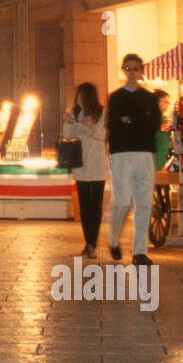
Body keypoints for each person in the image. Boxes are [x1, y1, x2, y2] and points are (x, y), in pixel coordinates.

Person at [106, 54, 161, 266]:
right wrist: (134, 121)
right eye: (128, 69)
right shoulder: (116, 97)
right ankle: (113, 239)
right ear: (123, 70)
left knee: (144, 202)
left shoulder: (149, 97)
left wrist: (130, 121)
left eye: (136, 69)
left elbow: (153, 123)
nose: (132, 73)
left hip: (145, 152)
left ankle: (139, 251)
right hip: (121, 153)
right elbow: (116, 123)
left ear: (142, 71)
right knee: (121, 200)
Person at [62, 83, 108, 259]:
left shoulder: (101, 112)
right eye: (77, 97)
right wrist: (67, 122)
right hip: (80, 163)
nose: (78, 100)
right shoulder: (75, 113)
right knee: (84, 205)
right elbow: (67, 136)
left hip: (97, 164)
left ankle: (92, 243)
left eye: (81, 96)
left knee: (95, 206)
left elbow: (103, 136)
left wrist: (91, 127)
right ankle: (88, 242)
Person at [153, 90, 173, 171]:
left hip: (161, 154)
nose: (167, 105)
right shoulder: (154, 118)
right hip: (156, 156)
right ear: (158, 101)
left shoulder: (163, 118)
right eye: (166, 102)